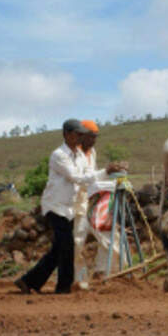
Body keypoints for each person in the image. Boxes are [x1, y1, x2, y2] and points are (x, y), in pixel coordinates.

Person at [14, 119, 122, 294]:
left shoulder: (80, 156)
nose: (80, 137)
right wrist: (106, 172)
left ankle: (28, 281)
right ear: (66, 135)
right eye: (77, 134)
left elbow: (89, 176)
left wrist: (109, 175)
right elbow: (76, 178)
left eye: (81, 134)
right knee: (67, 247)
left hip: (69, 208)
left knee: (59, 249)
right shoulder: (59, 155)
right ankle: (63, 287)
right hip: (55, 206)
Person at [72, 119, 99, 290]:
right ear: (81, 136)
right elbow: (79, 179)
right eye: (91, 136)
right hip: (76, 204)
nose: (93, 140)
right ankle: (79, 280)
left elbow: (93, 176)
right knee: (77, 242)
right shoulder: (74, 154)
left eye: (95, 137)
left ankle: (103, 272)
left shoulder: (92, 153)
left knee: (109, 237)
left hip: (90, 201)